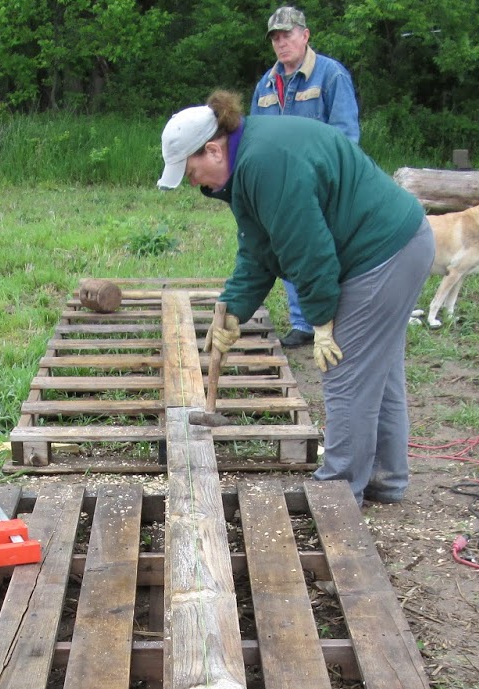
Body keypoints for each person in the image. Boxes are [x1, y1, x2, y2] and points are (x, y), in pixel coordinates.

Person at [157, 91, 434, 505]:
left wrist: (322, 321)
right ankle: (385, 478)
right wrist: (232, 311)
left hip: (381, 254)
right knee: (379, 372)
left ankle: (338, 492)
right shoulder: (249, 161)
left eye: (191, 171)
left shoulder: (265, 162)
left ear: (213, 149)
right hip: (397, 245)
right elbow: (259, 248)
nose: (193, 182)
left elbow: (307, 248)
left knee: (346, 374)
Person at [251, 6, 360, 348]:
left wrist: (327, 179)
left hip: (321, 181)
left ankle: (338, 320)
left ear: (305, 35)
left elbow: (345, 135)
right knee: (286, 249)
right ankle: (303, 323)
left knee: (326, 250)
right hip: (281, 188)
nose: (282, 43)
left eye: (288, 35)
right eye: (276, 38)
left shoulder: (330, 75)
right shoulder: (266, 84)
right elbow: (255, 137)